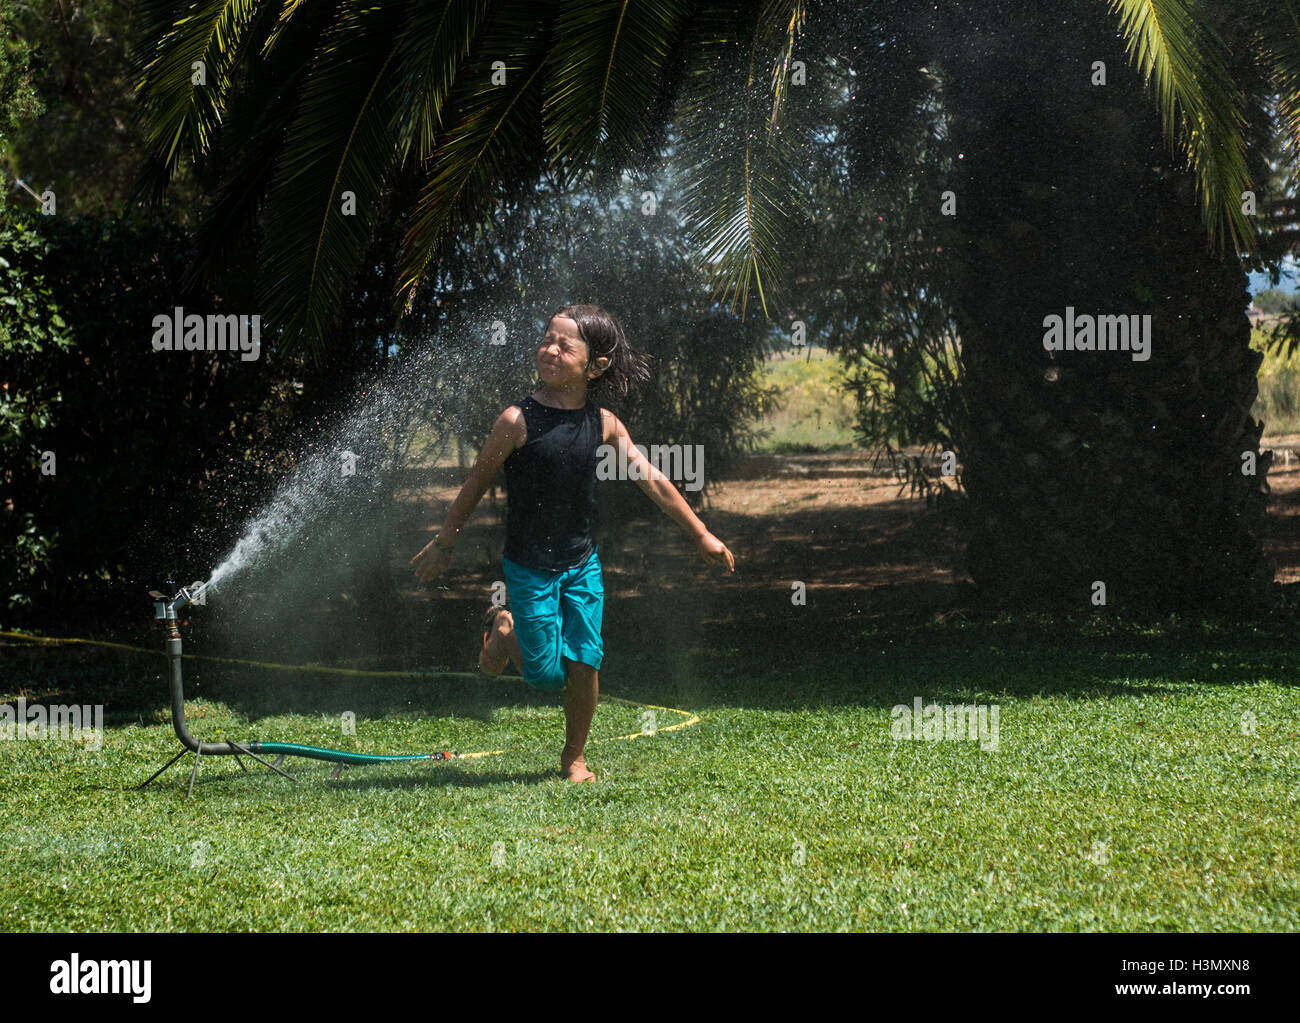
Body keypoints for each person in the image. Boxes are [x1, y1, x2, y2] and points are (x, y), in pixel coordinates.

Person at [411, 304, 735, 782]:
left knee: (585, 657)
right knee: (545, 673)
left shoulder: (603, 423)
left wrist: (701, 533)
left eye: (565, 345)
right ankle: (505, 628)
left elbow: (652, 479)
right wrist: (444, 543)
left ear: (595, 365)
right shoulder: (516, 421)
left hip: (582, 561)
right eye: (547, 339)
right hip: (529, 564)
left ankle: (574, 758)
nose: (550, 350)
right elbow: (476, 484)